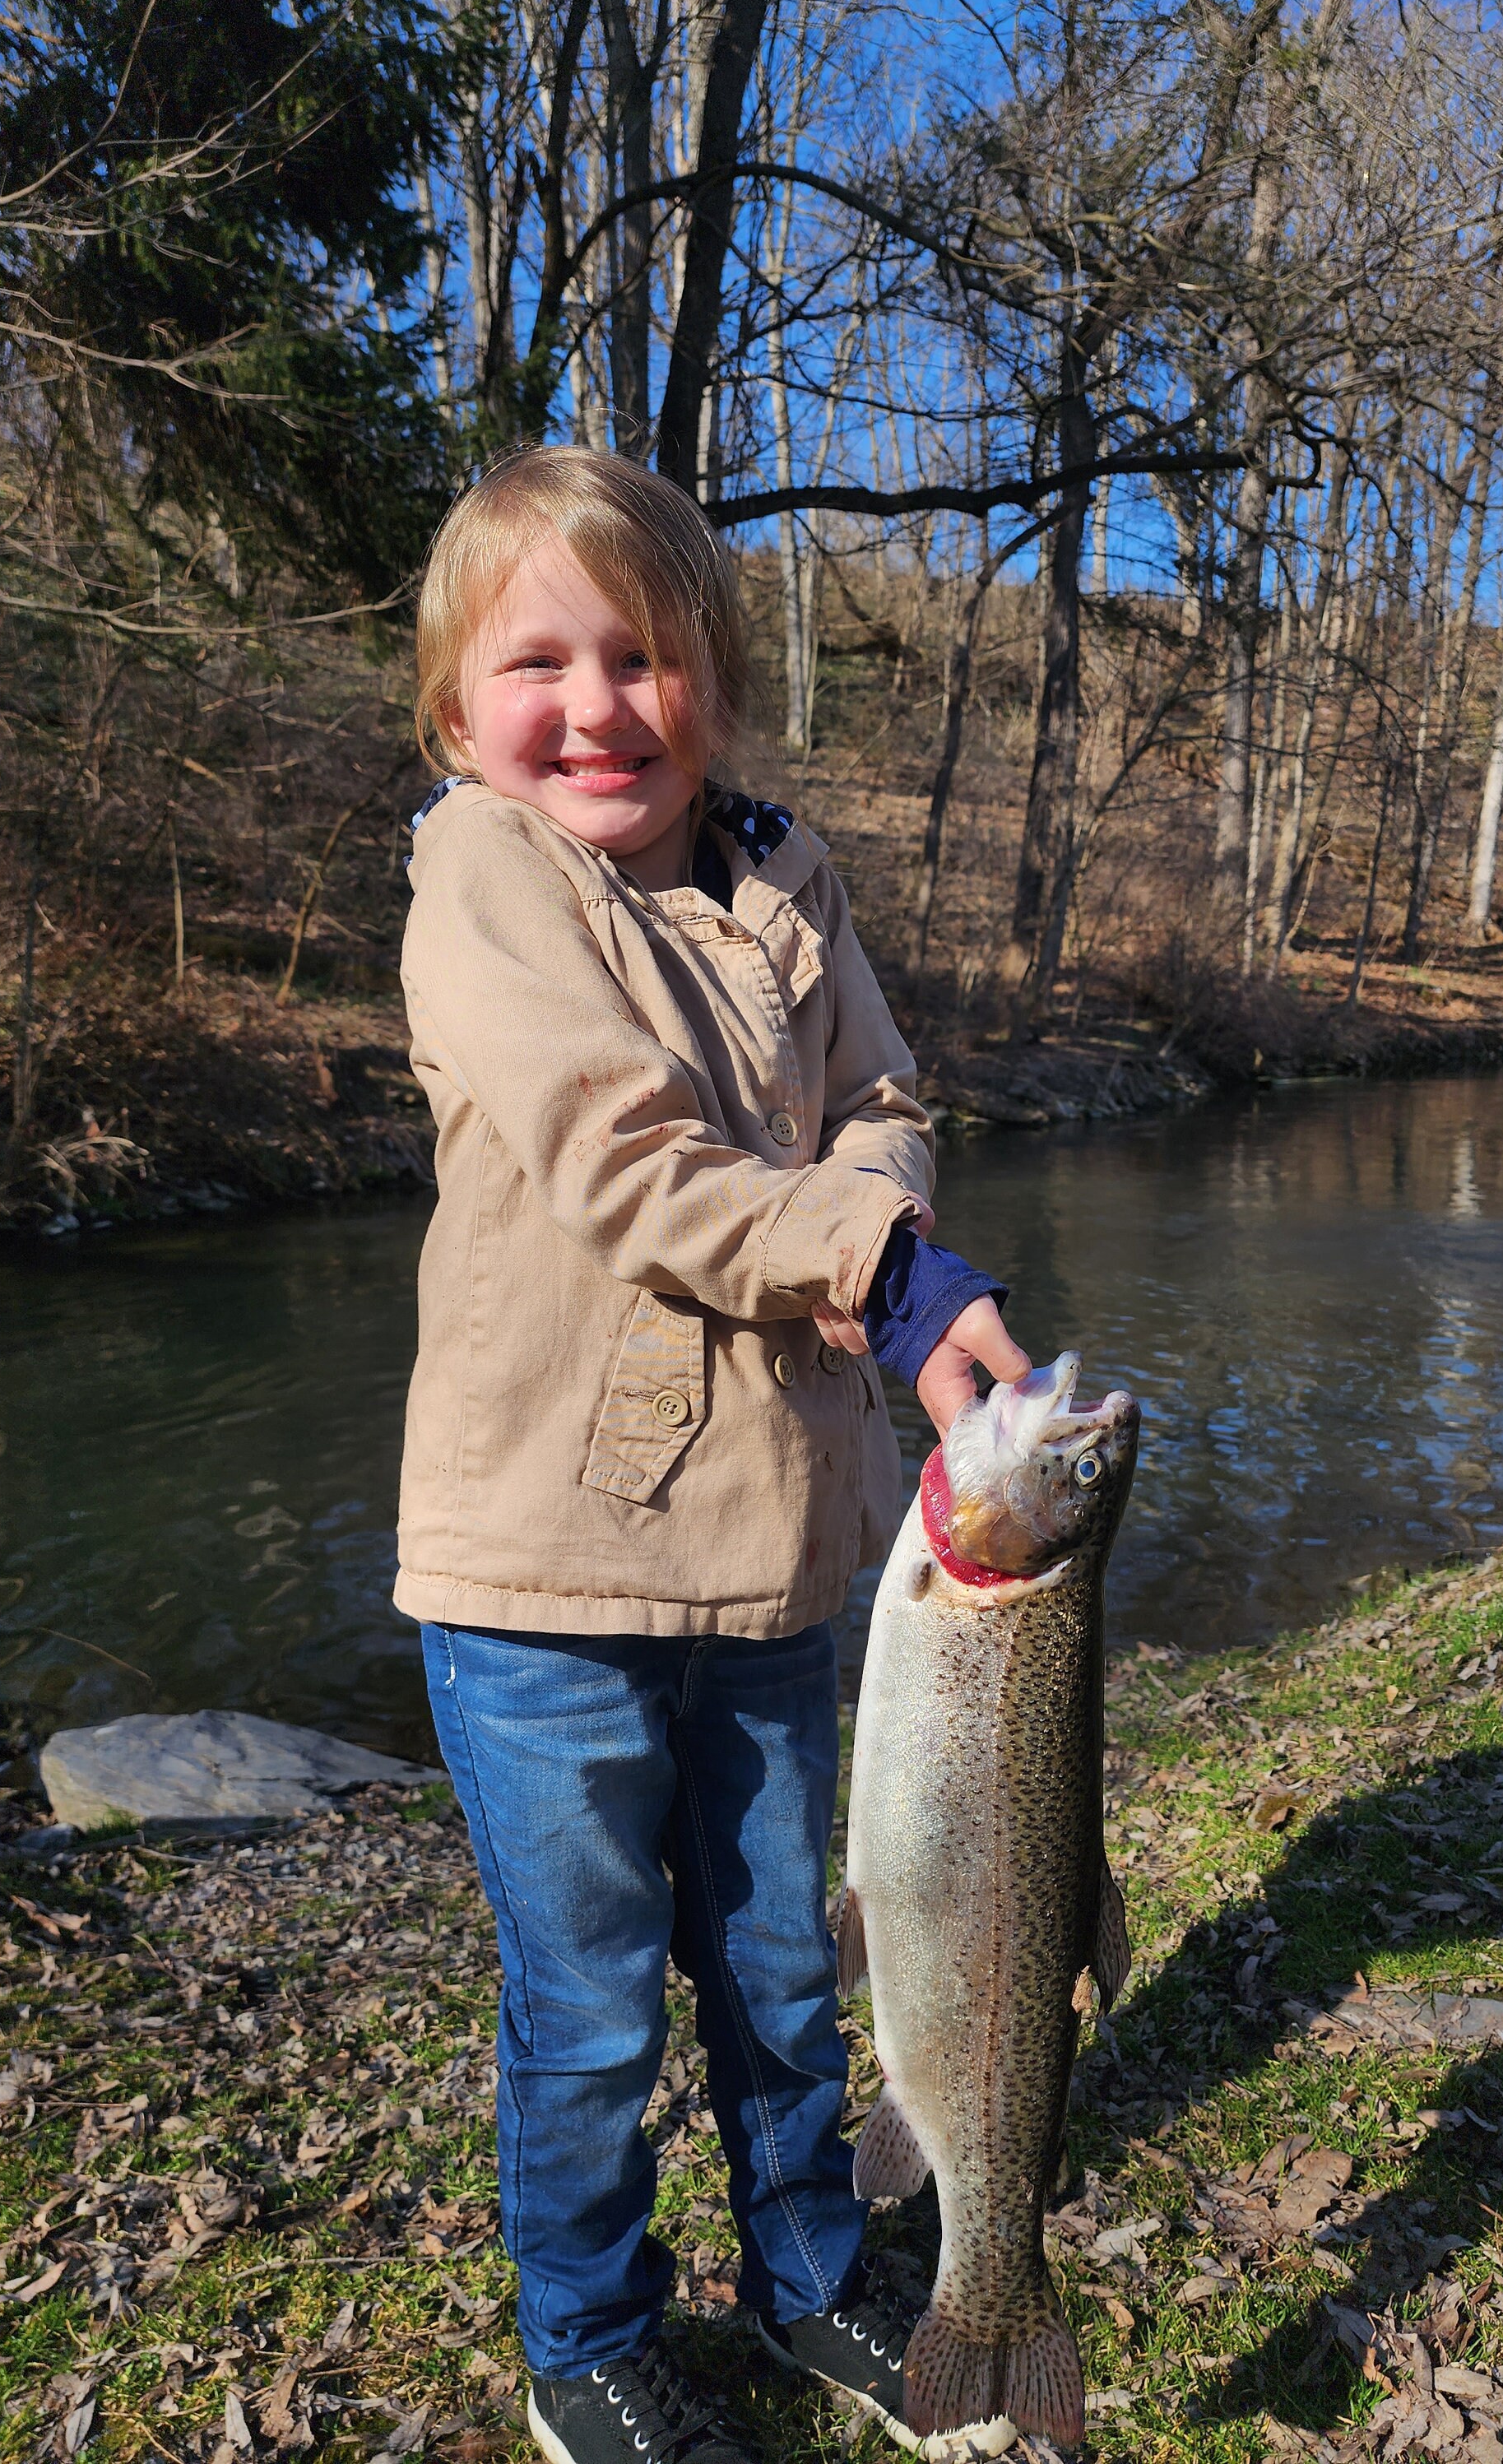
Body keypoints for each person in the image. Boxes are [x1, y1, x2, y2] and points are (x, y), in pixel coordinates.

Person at [397, 446, 1029, 2464]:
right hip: (541, 1569)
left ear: (719, 687)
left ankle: (813, 2270)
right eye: (539, 664)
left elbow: (887, 1097)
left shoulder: (787, 877)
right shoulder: (485, 878)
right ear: (456, 709)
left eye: (647, 657)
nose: (598, 706)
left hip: (777, 1547)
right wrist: (875, 1261)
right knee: (588, 2005)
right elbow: (630, 1164)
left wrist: (889, 1227)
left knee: (779, 1964)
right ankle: (584, 2338)